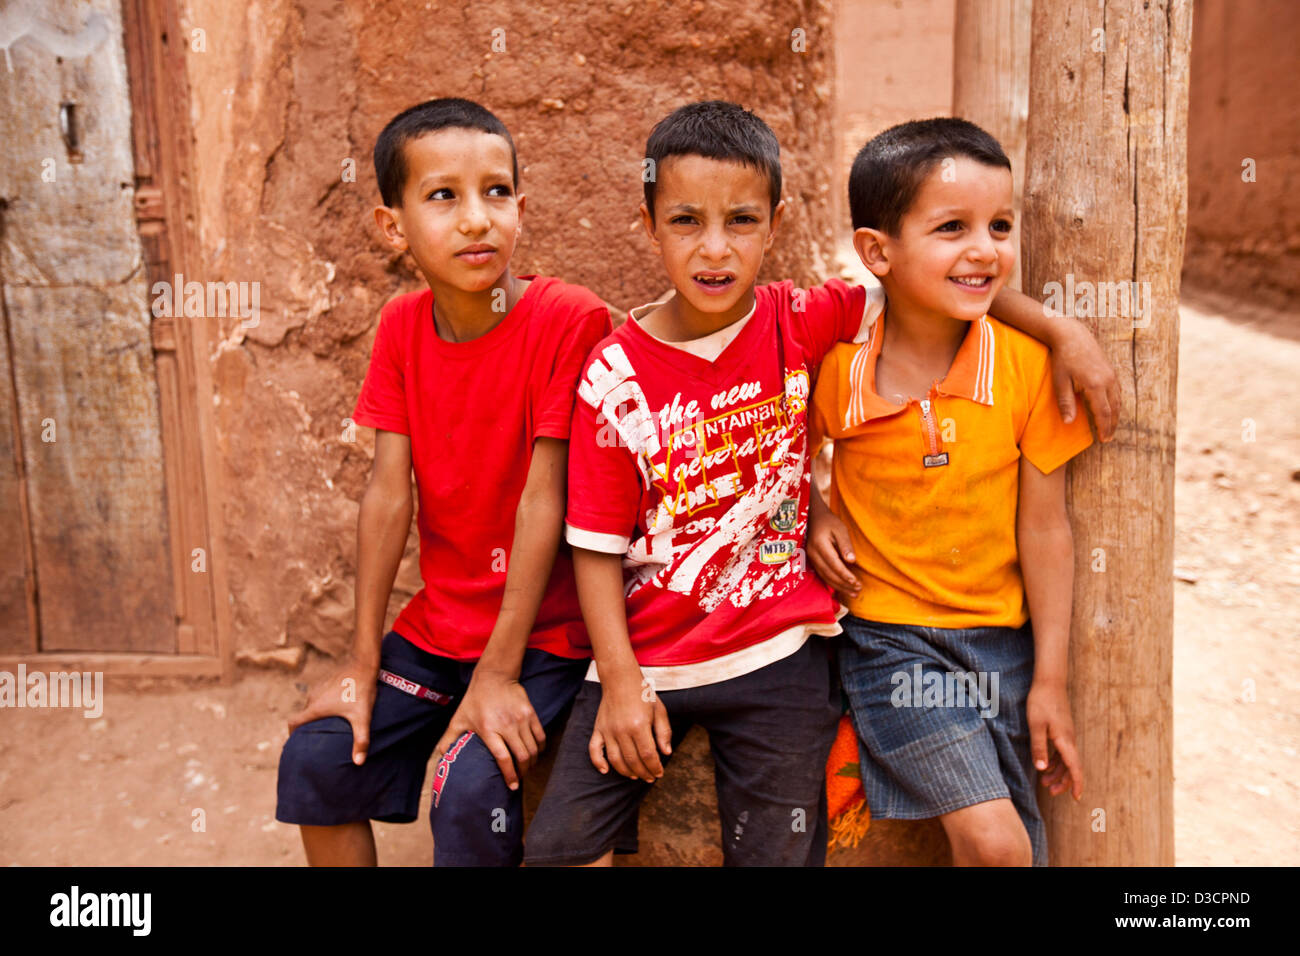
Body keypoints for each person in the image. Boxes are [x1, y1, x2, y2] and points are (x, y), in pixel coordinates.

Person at [523, 101, 1113, 867]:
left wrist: (1060, 328)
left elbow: (938, 279)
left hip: (786, 650)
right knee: (560, 848)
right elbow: (596, 544)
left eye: (741, 220)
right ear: (648, 225)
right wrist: (625, 679)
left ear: (775, 224)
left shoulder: (800, 320)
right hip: (680, 650)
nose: (715, 248)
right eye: (685, 221)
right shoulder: (620, 376)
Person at [275, 98, 610, 866]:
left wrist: (496, 672)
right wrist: (362, 663)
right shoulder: (401, 327)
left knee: (467, 795)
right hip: (438, 632)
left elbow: (544, 500)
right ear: (393, 228)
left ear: (521, 209)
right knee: (317, 761)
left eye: (496, 193)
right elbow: (388, 494)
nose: (476, 220)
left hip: (546, 637)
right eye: (443, 197)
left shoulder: (570, 320)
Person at [808, 117, 1093, 866]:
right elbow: (786, 457)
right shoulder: (838, 370)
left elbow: (1045, 530)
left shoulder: (1028, 369)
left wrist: (1051, 682)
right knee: (997, 846)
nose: (985, 249)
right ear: (877, 251)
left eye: (1000, 225)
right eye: (951, 227)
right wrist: (815, 509)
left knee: (1024, 846)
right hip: (890, 642)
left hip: (1004, 648)